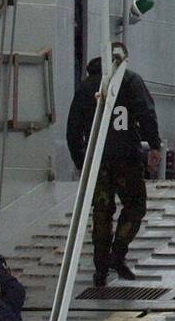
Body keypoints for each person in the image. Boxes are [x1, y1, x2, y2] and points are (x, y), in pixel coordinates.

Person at [66, 41, 162, 285]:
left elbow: (72, 130)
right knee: (135, 205)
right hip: (127, 160)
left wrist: (81, 161)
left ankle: (100, 269)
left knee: (101, 213)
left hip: (97, 162)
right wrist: (155, 145)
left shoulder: (87, 87)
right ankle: (117, 254)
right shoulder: (131, 82)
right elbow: (147, 114)